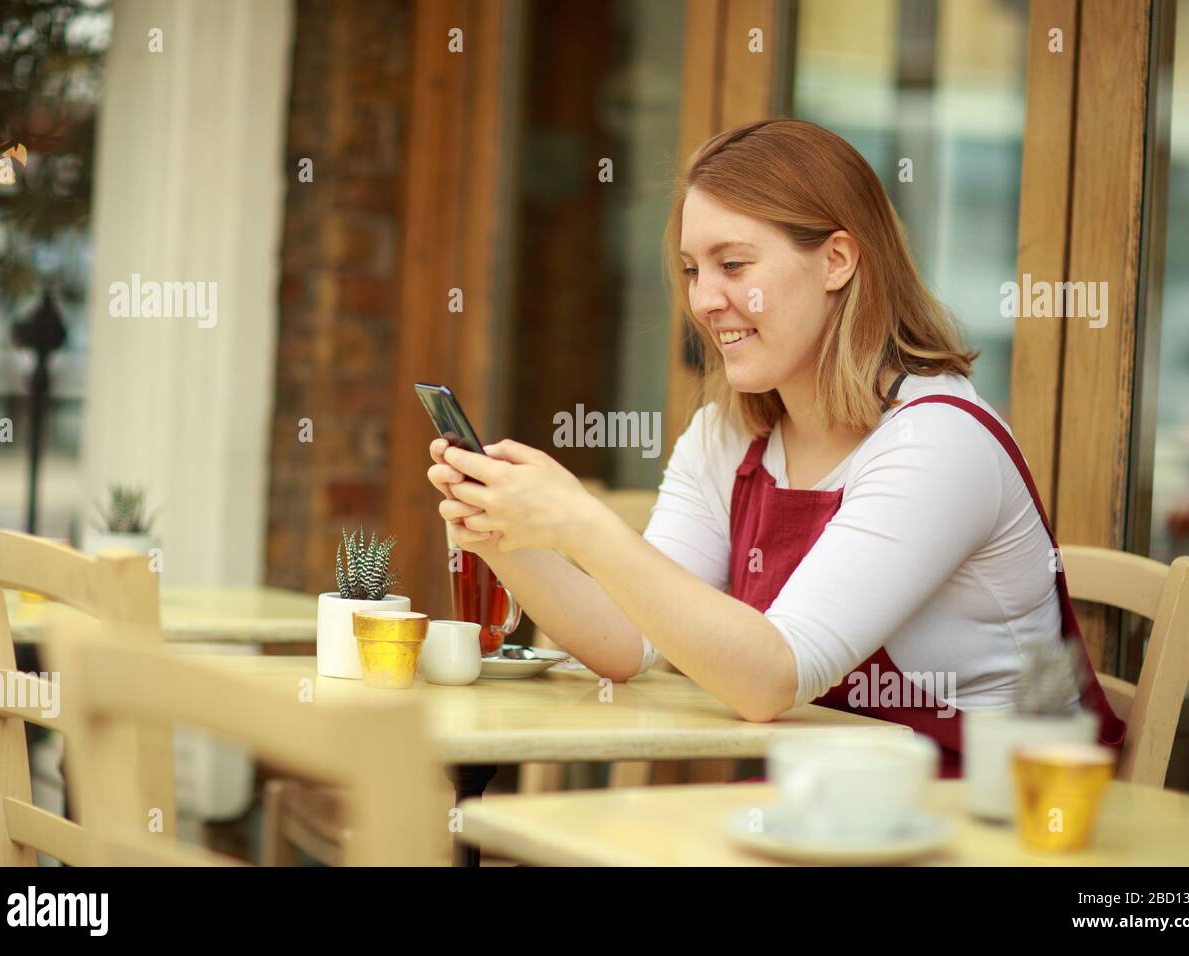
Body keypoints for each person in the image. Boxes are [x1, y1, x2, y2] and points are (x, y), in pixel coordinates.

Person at [427, 118, 1124, 775]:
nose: (702, 299)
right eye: (694, 270)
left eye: (733, 264)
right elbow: (627, 644)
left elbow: (769, 676)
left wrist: (581, 524)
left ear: (838, 262)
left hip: (988, 827)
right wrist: (502, 534)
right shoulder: (730, 433)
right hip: (829, 813)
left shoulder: (937, 443)